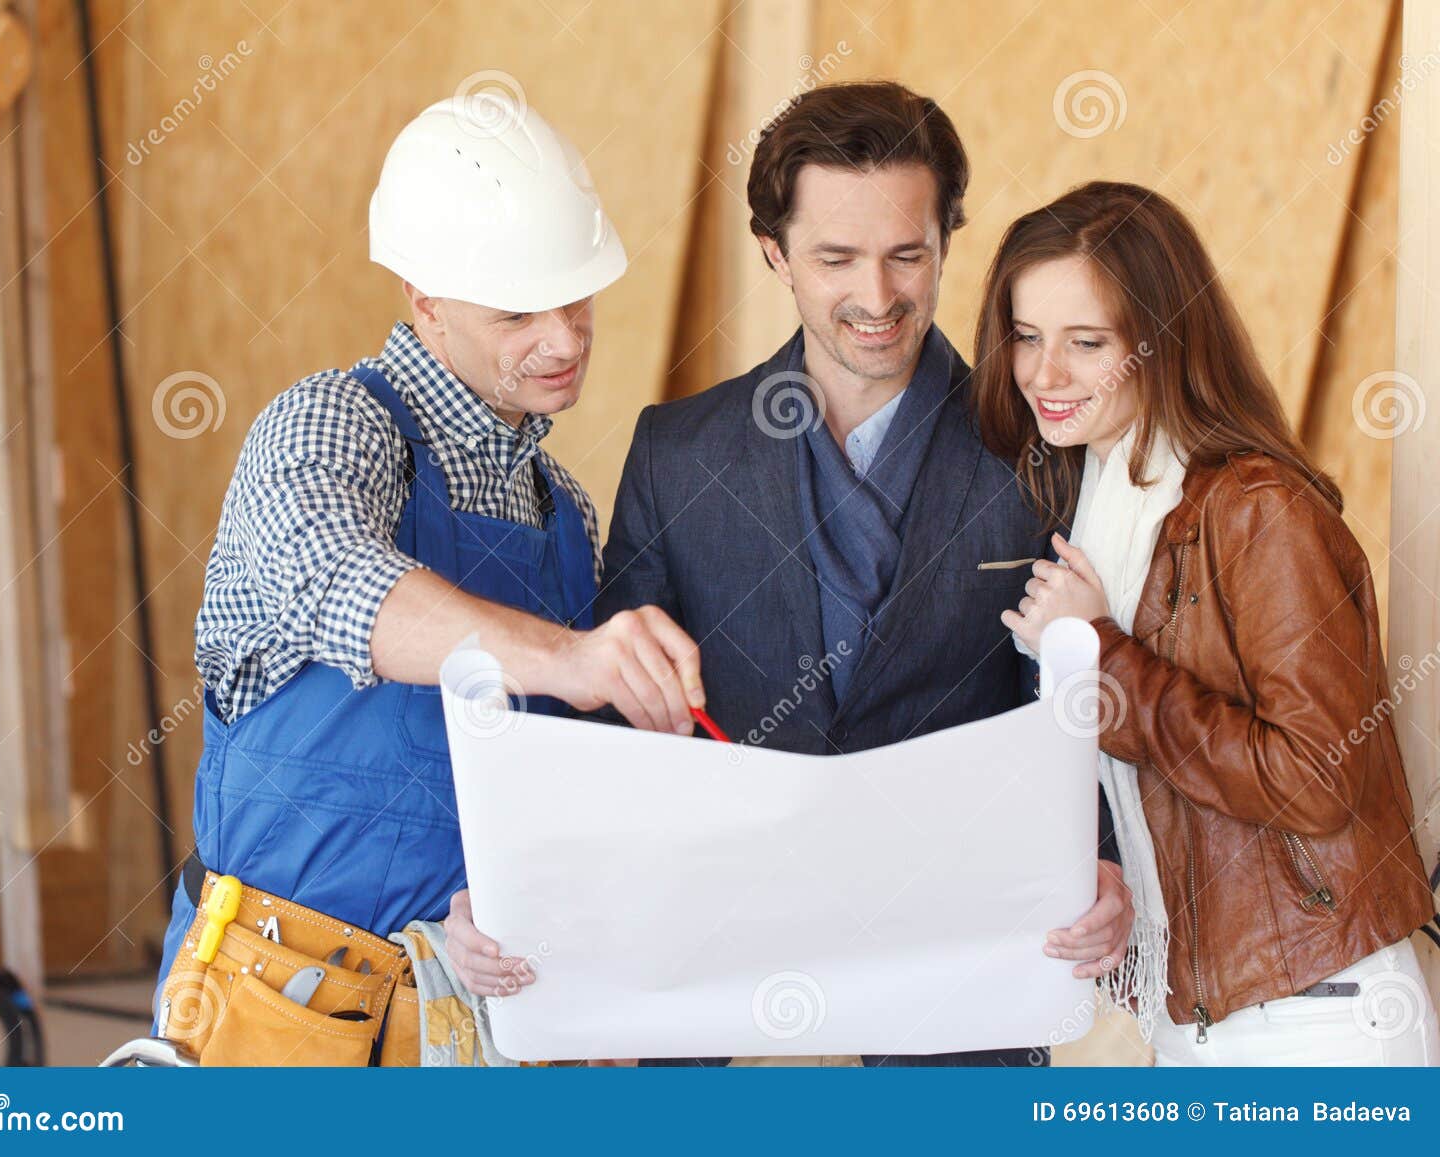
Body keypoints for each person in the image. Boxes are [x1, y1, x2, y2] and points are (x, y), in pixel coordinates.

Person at [448, 81, 1136, 1067]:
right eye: (835, 258)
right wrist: (509, 882)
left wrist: (1102, 858)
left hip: (959, 941)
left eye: (909, 253)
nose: (879, 295)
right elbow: (605, 711)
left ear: (947, 238)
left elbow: (1066, 691)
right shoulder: (678, 451)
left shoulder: (1037, 445)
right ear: (774, 253)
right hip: (707, 935)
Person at [151, 93, 704, 1033]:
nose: (565, 338)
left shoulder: (564, 510)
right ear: (425, 299)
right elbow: (335, 577)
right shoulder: (330, 426)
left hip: (462, 1032)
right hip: (273, 1019)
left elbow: (536, 795)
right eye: (519, 310)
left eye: (575, 297)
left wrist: (508, 908)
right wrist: (568, 657)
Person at [977, 179, 1439, 1065]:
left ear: (1160, 344)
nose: (1044, 373)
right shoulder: (1102, 514)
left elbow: (1315, 781)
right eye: (1027, 337)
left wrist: (1104, 658)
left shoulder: (1259, 510)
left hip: (1316, 1015)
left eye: (1086, 342)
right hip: (1194, 1013)